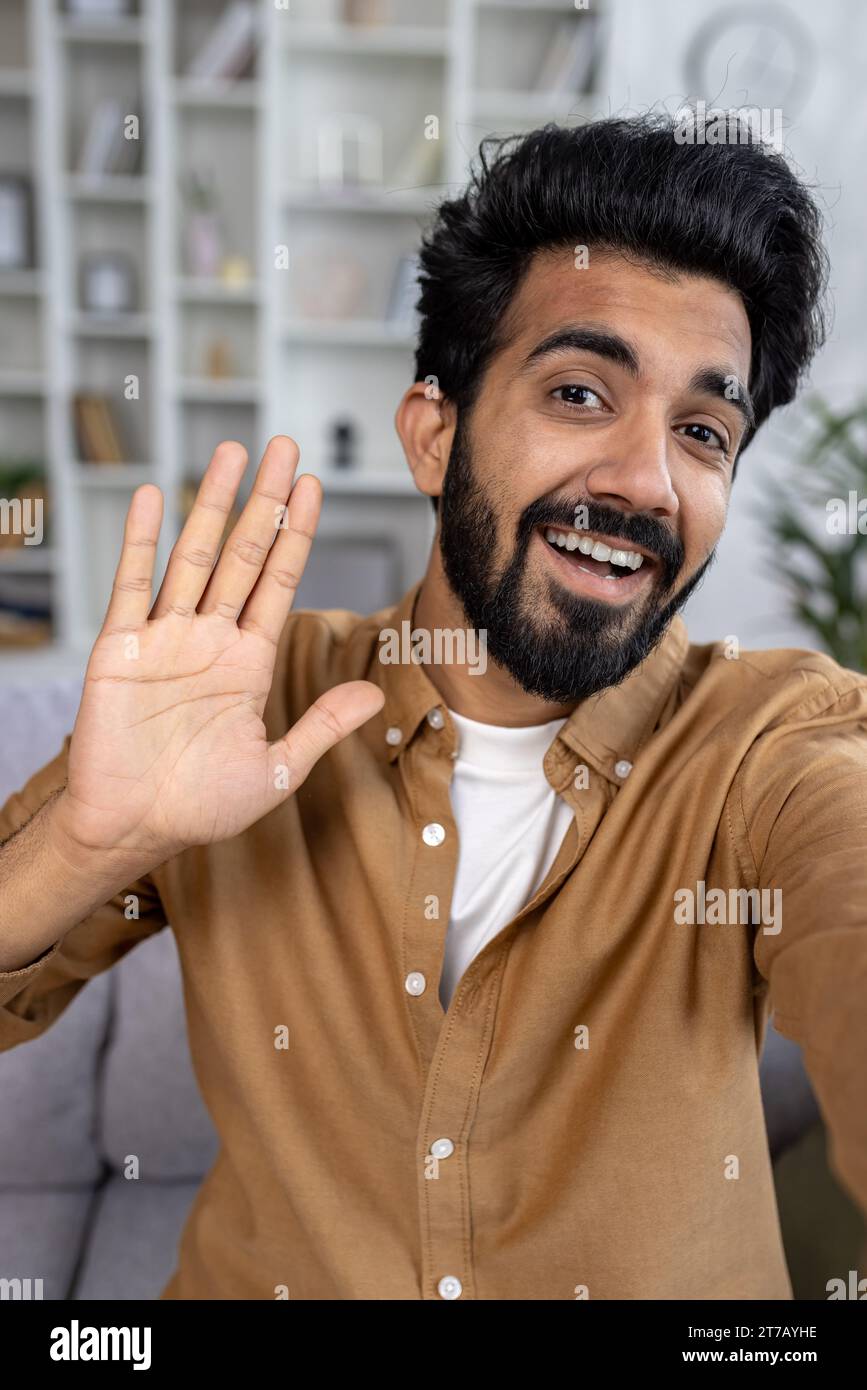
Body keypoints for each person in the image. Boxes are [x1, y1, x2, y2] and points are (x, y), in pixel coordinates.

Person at [1, 115, 864, 1301]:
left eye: (702, 432)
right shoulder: (239, 704)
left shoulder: (773, 746)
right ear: (433, 433)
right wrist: (89, 842)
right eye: (578, 391)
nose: (646, 481)